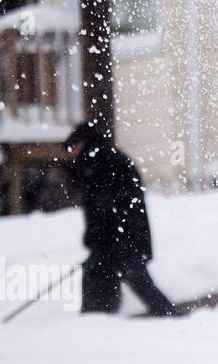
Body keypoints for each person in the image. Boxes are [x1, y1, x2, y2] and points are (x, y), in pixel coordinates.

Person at [64, 123, 177, 317]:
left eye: (72, 148)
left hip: (121, 238)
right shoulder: (104, 159)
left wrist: (100, 239)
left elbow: (104, 208)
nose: (71, 154)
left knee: (132, 278)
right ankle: (99, 319)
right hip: (122, 237)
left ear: (82, 144)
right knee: (115, 276)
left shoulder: (101, 163)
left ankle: (98, 320)